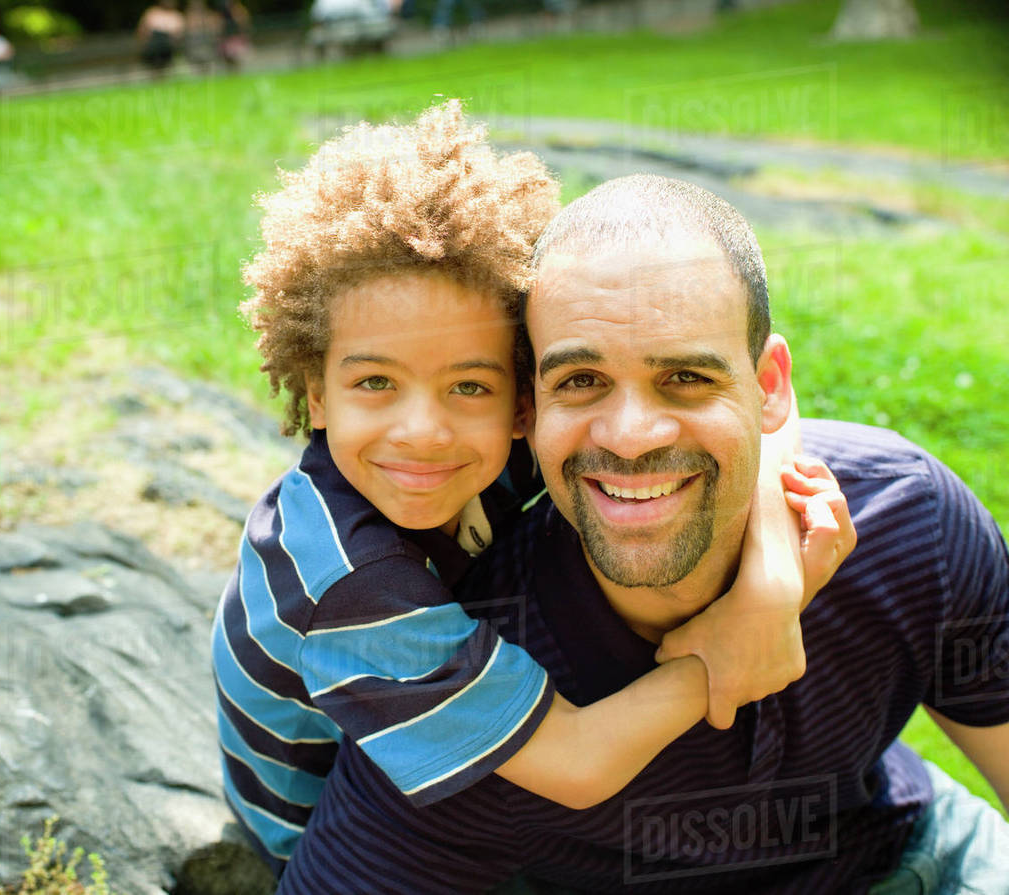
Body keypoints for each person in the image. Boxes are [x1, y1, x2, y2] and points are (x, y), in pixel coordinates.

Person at [277, 174, 1009, 893]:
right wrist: (727, 647)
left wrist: (773, 581)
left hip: (911, 857)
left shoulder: (903, 518)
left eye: (686, 376)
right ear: (534, 408)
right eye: (582, 380)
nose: (630, 437)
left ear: (770, 388)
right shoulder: (456, 674)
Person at [213, 105, 854, 876]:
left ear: (526, 399)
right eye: (375, 381)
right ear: (316, 393)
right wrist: (729, 649)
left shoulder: (498, 443)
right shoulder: (347, 582)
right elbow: (578, 761)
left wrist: (773, 579)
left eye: (469, 385)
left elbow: (763, 419)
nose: (424, 430)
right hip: (333, 828)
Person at [137, 0, 185, 76]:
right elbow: (142, 31)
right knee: (158, 38)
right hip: (153, 45)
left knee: (162, 40)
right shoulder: (152, 12)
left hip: (167, 46)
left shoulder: (177, 15)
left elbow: (179, 36)